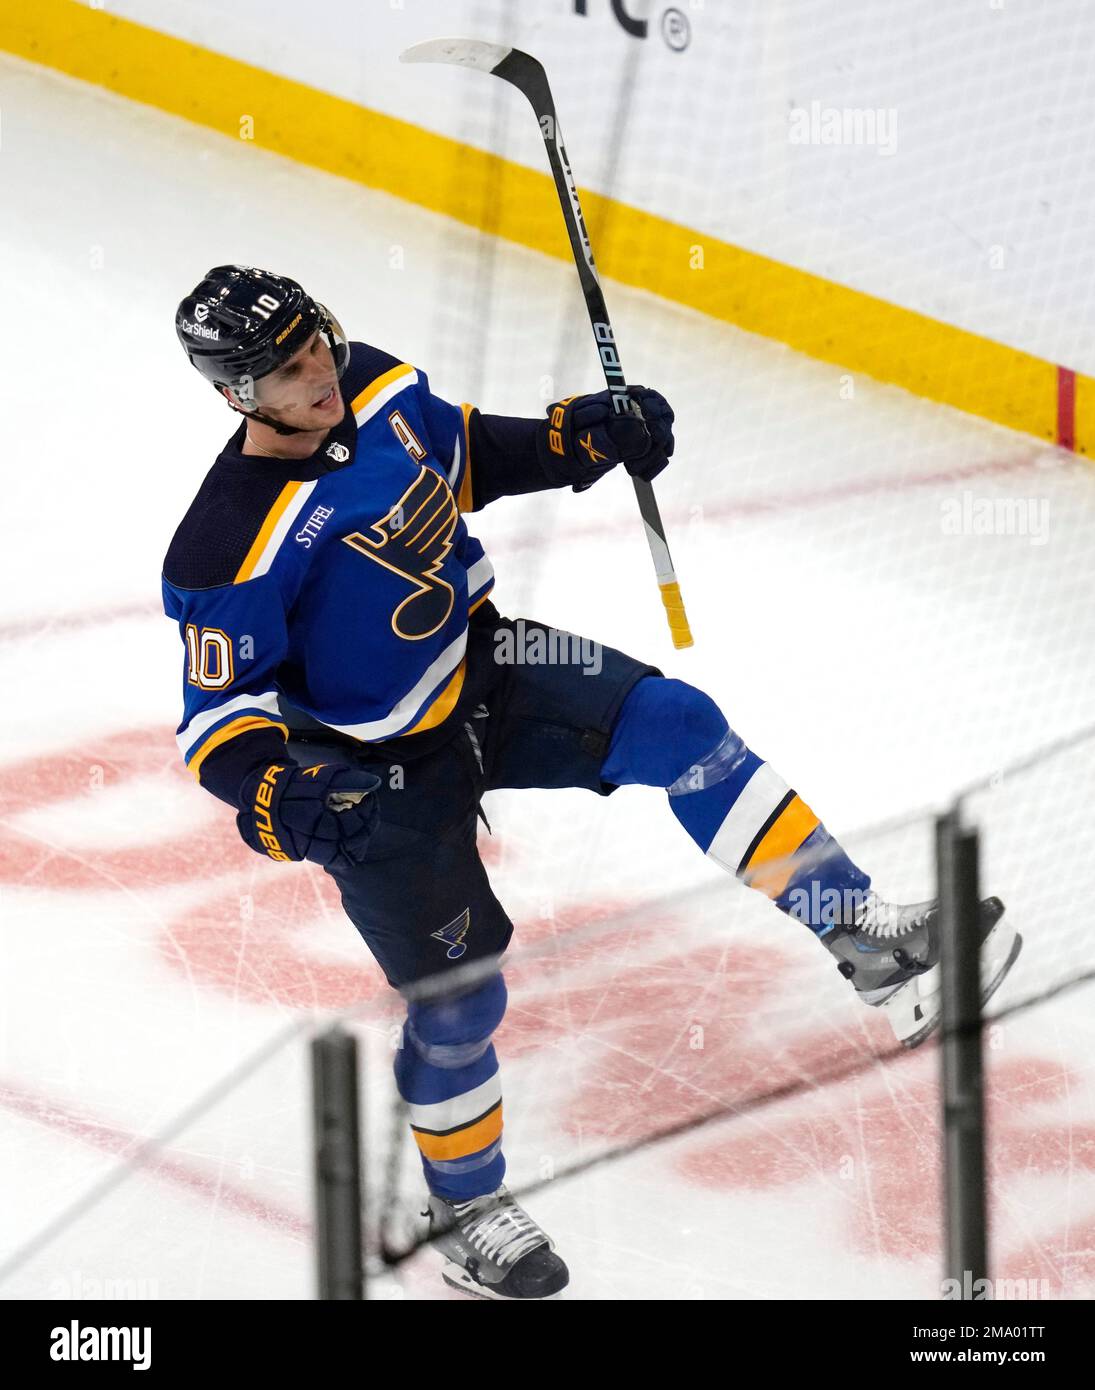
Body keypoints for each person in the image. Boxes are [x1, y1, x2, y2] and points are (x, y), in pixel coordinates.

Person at [165, 265, 1020, 1300]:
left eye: (319, 344)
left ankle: (868, 940)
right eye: (290, 369)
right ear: (235, 395)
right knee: (460, 993)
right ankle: (460, 1205)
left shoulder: (376, 385)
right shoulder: (226, 540)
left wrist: (577, 439)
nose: (320, 374)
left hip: (482, 671)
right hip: (371, 773)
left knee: (680, 726)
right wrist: (277, 797)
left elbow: (469, 450)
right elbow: (217, 721)